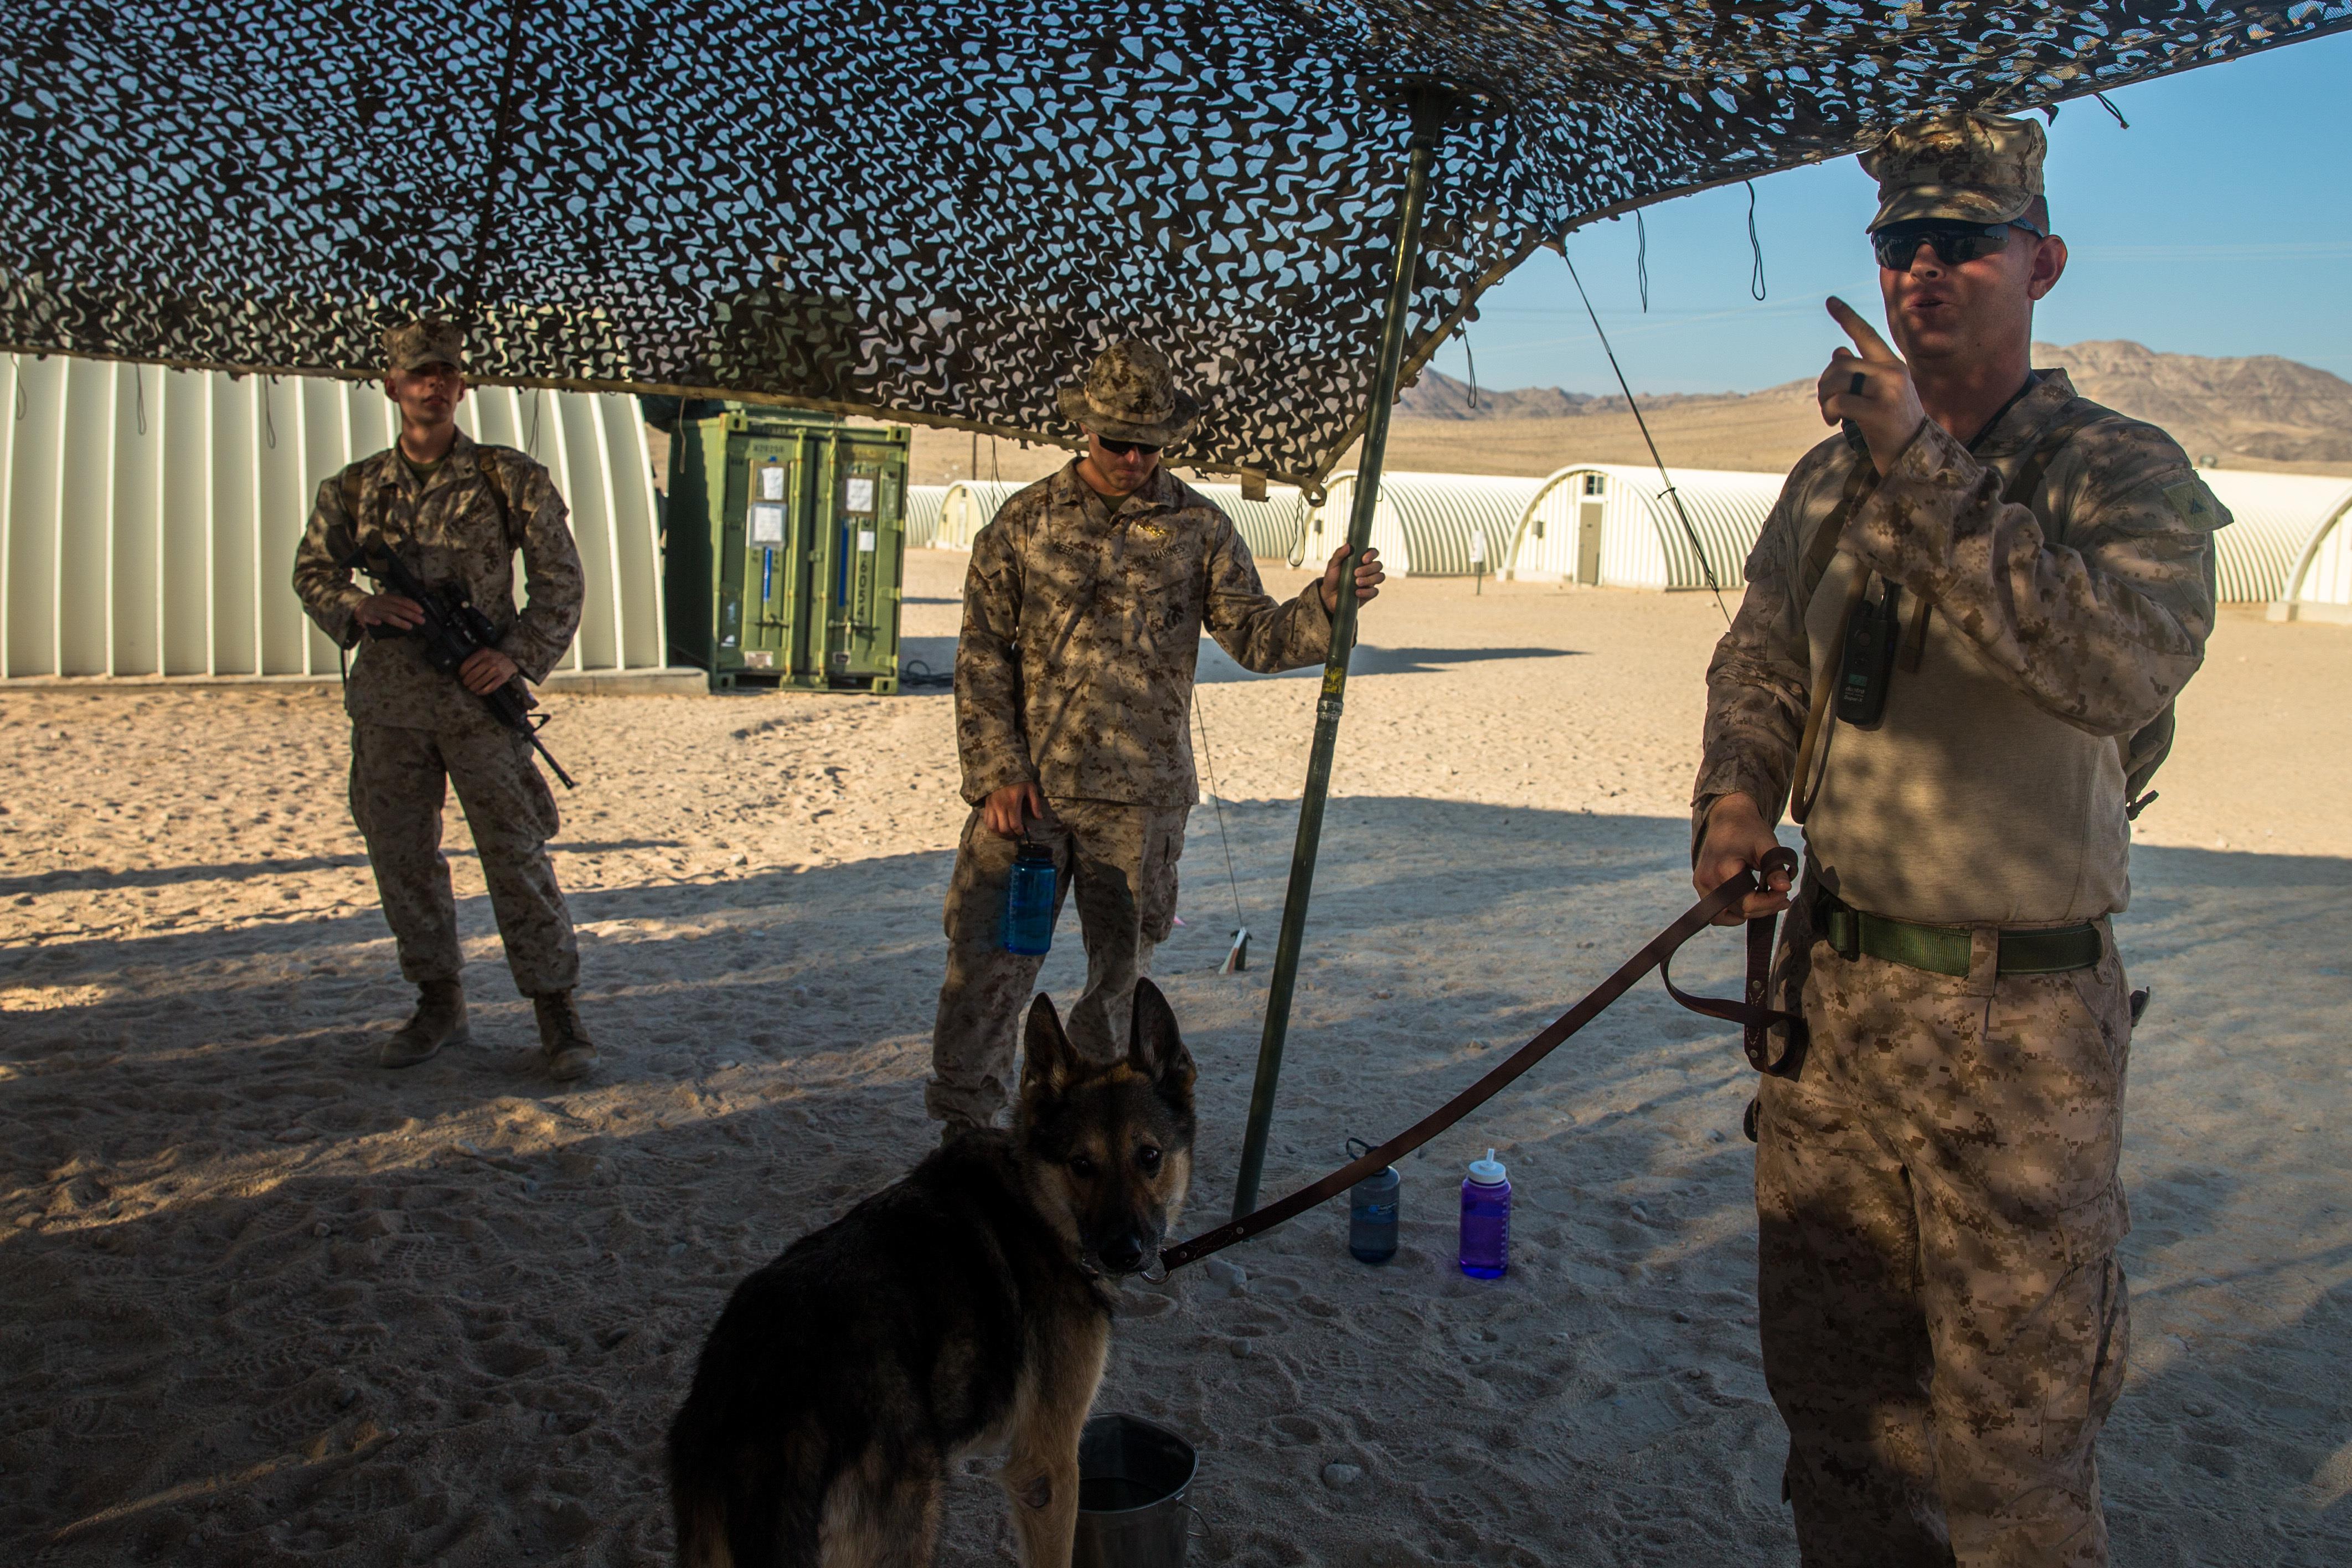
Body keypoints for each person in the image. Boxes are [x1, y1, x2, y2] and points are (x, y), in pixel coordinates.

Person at [1691, 112, 2225, 1566]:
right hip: (1833, 1011)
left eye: (1963, 241)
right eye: (1899, 241)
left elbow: (2114, 668)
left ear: (2042, 263)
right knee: (1842, 1436)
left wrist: (1919, 461)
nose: (1923, 268)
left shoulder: (2122, 472)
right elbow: (1761, 660)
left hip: (2021, 1028)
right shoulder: (1824, 483)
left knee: (2015, 1466)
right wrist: (1735, 800)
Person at [929, 338, 1385, 1138]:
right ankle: (966, 1139)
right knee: (988, 973)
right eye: (1117, 441)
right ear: (1086, 430)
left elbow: (1256, 637)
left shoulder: (1200, 528)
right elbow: (981, 653)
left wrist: (1324, 604)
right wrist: (997, 770)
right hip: (1028, 802)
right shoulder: (1023, 524)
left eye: (1149, 444)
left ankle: (1096, 1140)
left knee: (1119, 985)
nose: (1132, 459)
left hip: (1142, 808)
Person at [292, 320, 599, 1081]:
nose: (434, 385)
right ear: (392, 386)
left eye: (447, 374)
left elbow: (562, 580)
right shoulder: (354, 488)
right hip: (390, 709)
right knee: (402, 856)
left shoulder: (508, 477)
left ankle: (556, 1010)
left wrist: (514, 655)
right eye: (419, 374)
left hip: (477, 704)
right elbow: (312, 570)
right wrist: (359, 606)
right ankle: (438, 1002)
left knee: (516, 855)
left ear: (462, 388)